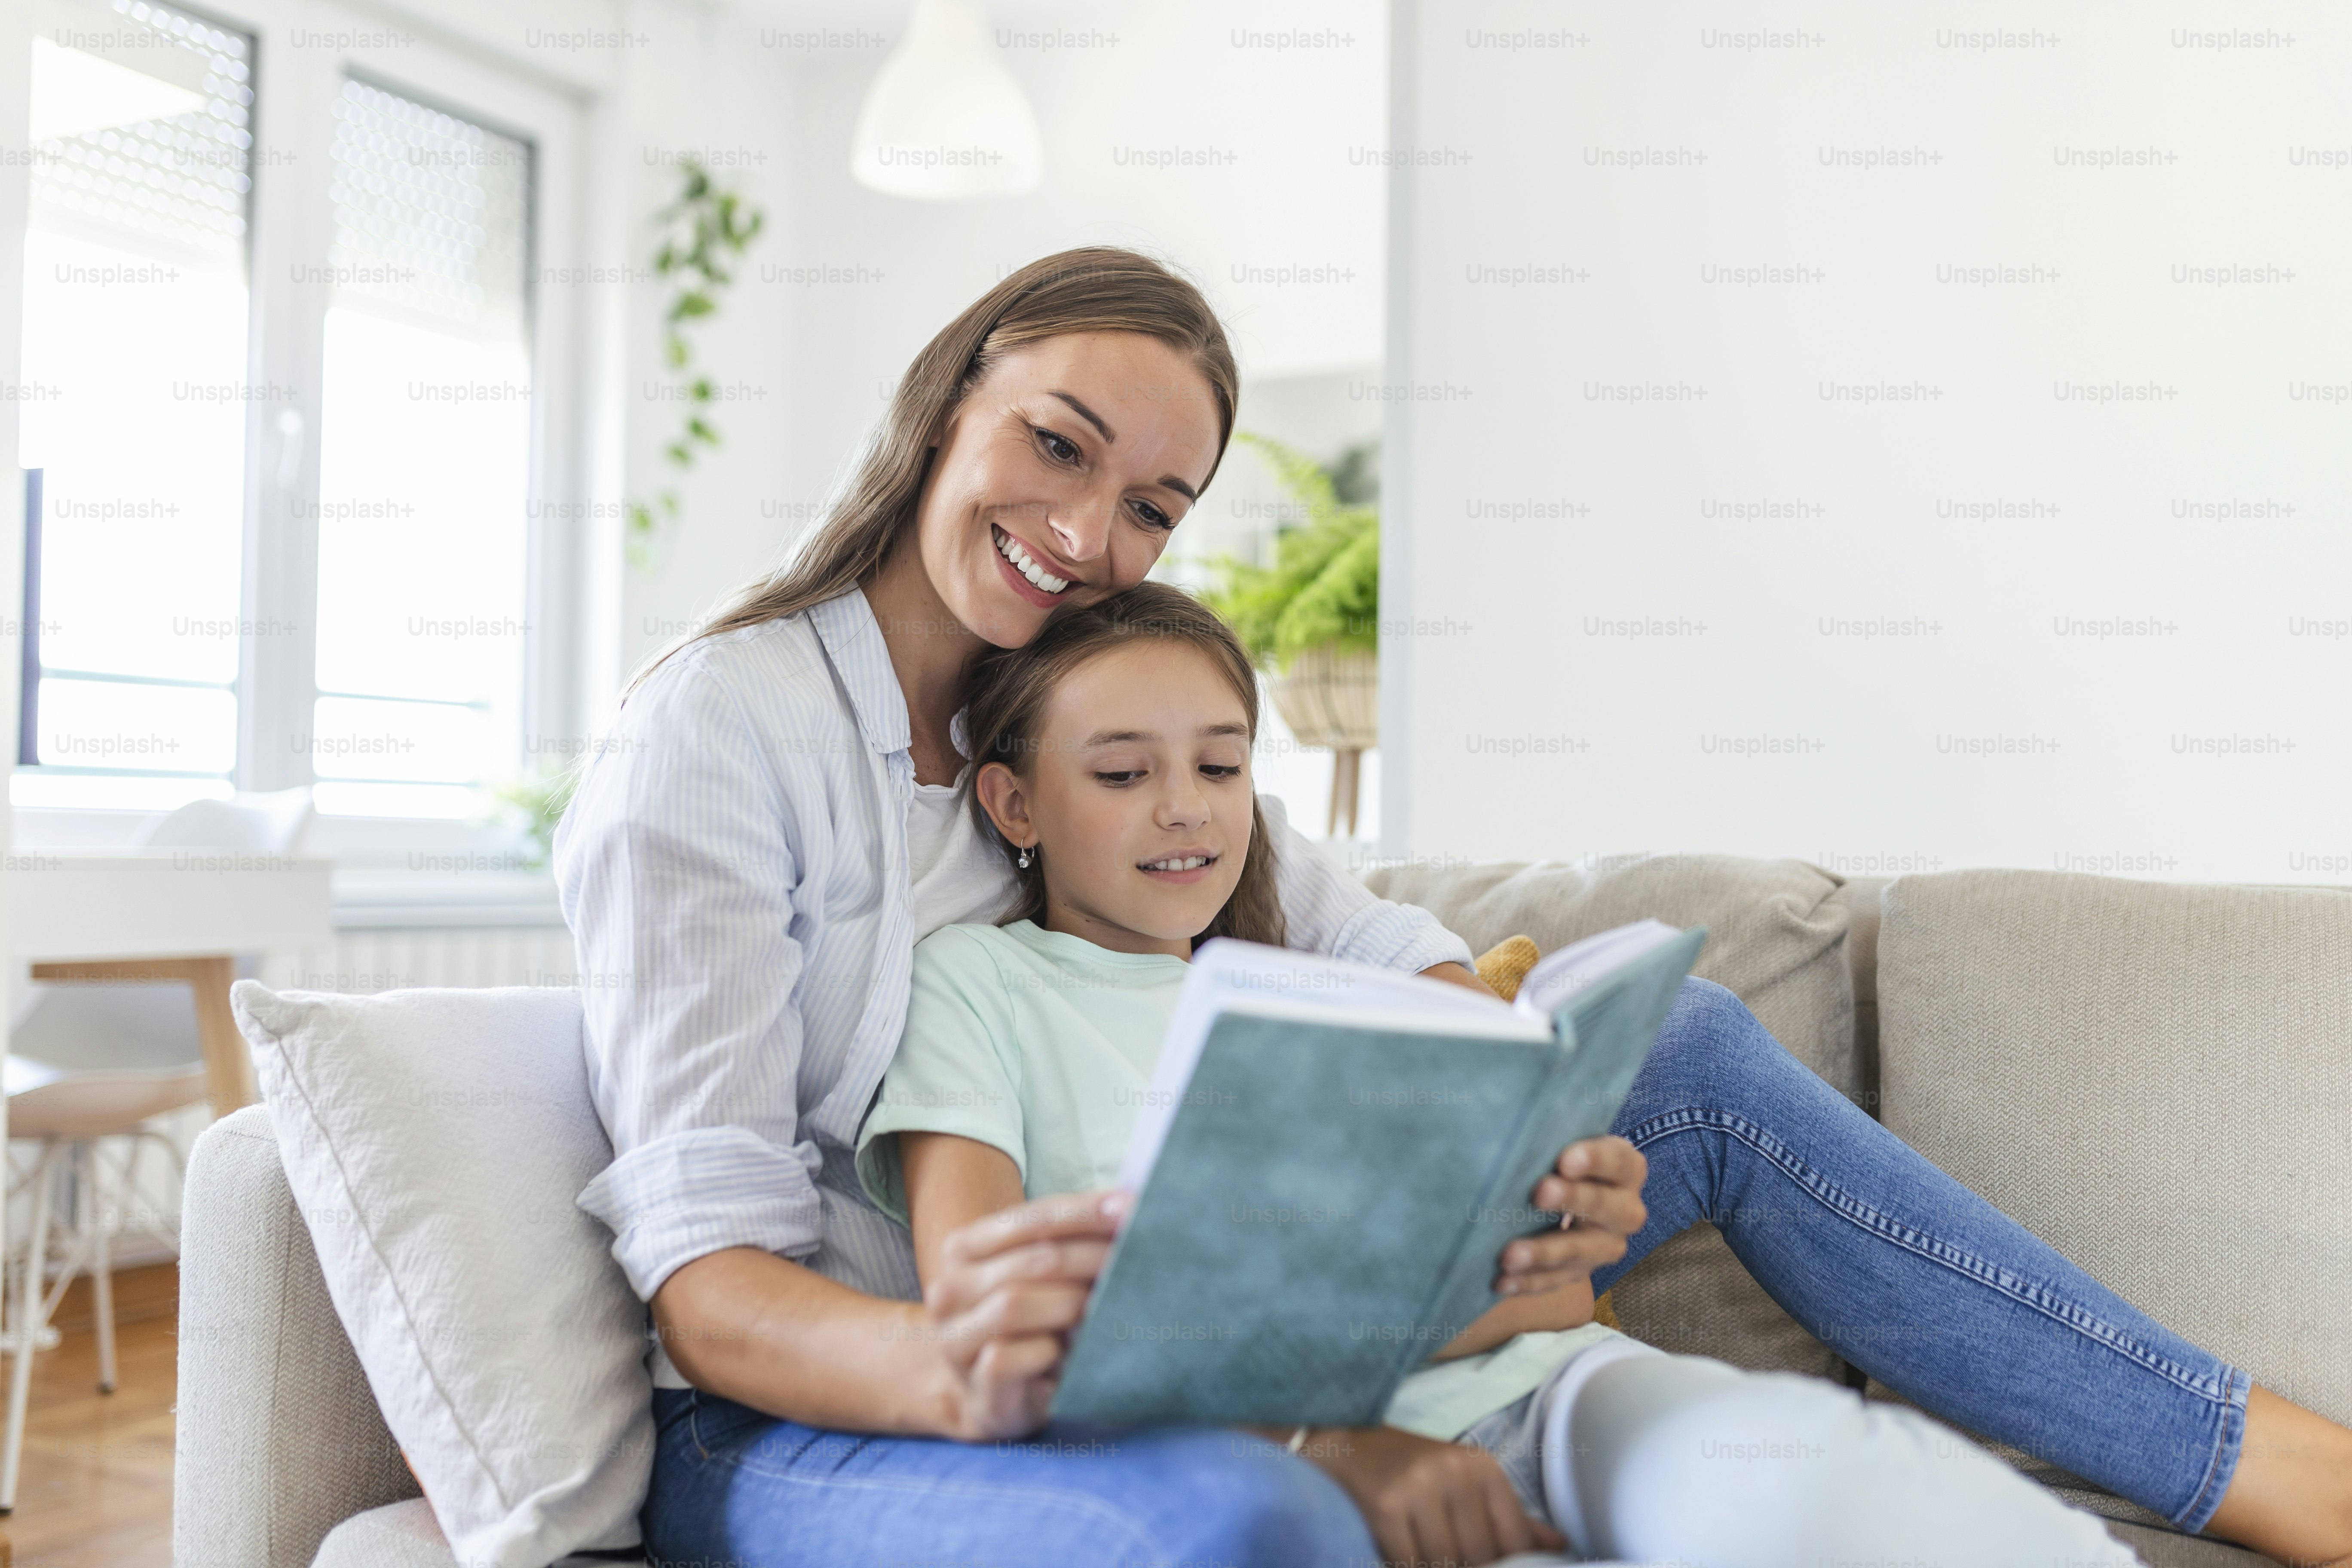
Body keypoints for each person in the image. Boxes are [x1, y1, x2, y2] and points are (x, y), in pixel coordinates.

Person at [554, 245, 2352, 1568]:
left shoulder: (1088, 715)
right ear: (949, 396)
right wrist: (991, 1376)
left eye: (1152, 507)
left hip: (1203, 1316)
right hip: (836, 1401)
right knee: (1252, 1519)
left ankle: (2264, 1466)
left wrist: (1517, 1153)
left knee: (1684, 1053)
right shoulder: (727, 731)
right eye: (1059, 445)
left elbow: (1374, 948)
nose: (1090, 534)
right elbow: (711, 1292)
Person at [854, 579, 2141, 1565]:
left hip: (1553, 1391)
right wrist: (1319, 1438)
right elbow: (987, 1334)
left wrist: (1558, 1229)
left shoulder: (1321, 993)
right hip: (1280, 1469)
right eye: (1123, 773)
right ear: (1014, 805)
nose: (1186, 806)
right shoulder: (976, 987)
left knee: (1857, 1496)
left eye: (1222, 765)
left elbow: (1535, 1295)